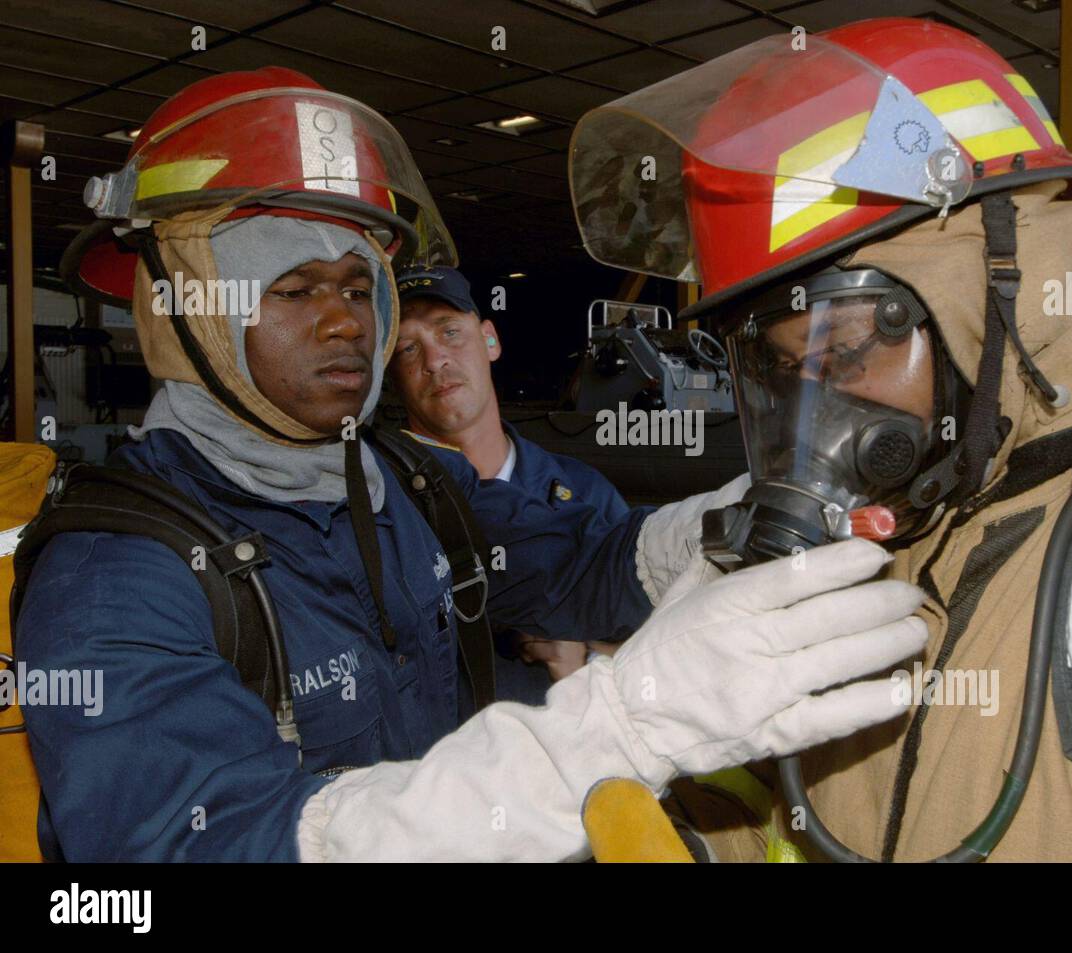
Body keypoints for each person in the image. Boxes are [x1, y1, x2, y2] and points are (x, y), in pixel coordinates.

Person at [15, 67, 930, 862]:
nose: (344, 323)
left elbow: (579, 565)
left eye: (356, 286)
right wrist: (619, 727)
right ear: (189, 309)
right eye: (292, 289)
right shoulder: (115, 573)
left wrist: (763, 500)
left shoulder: (407, 484)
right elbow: (204, 843)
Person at [568, 17, 1072, 861]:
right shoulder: (898, 531)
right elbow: (788, 809)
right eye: (784, 373)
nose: (822, 432)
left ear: (1001, 283)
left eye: (842, 354)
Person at [389, 266, 623, 699]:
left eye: (450, 333)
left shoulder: (585, 494)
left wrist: (589, 661)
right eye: (407, 348)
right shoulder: (386, 515)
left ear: (490, 340)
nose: (435, 360)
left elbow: (656, 646)